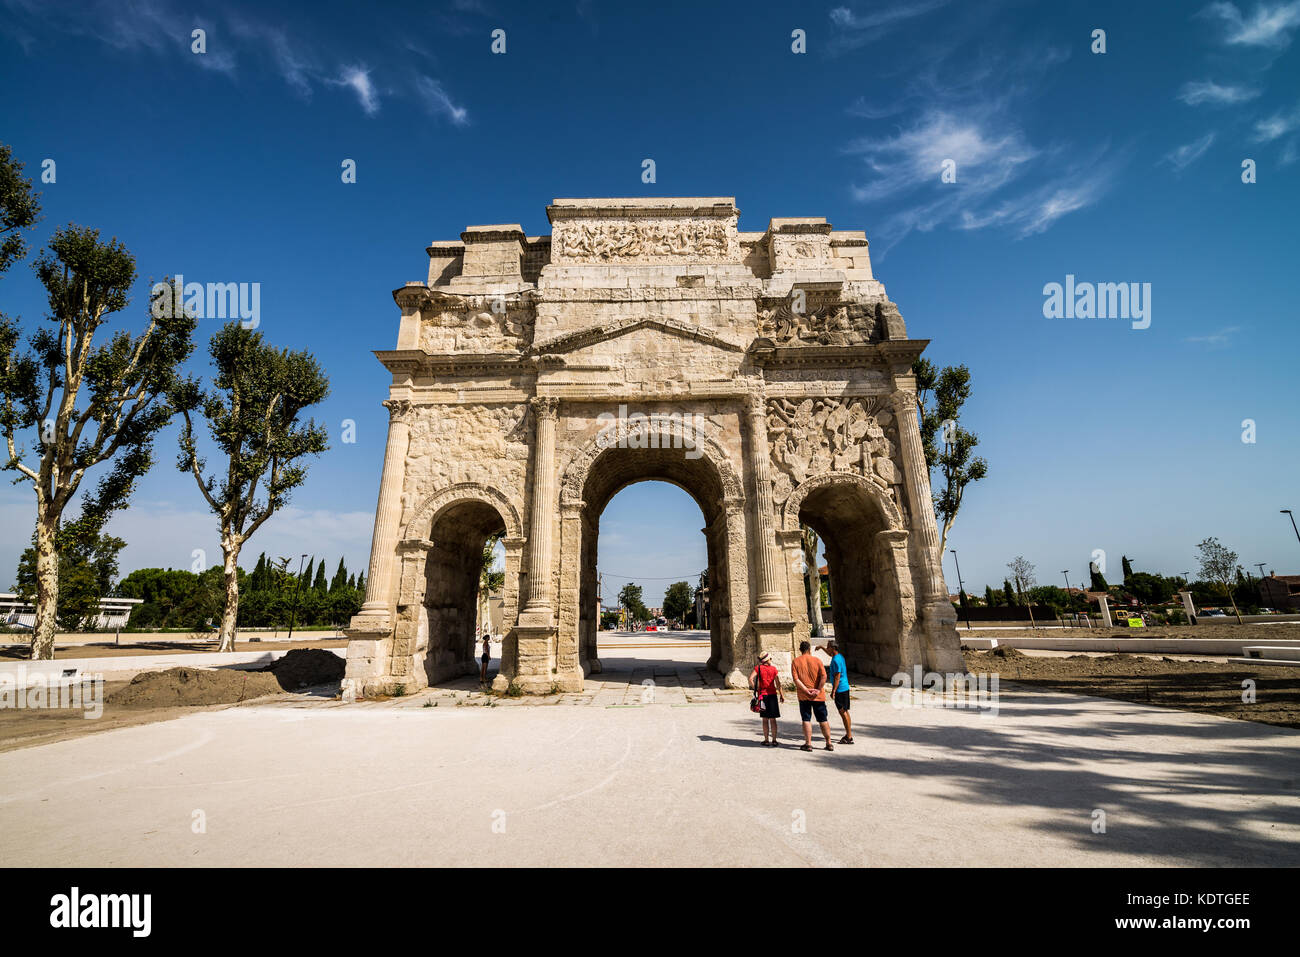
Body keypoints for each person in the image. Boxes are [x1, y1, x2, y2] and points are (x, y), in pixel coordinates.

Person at [791, 640, 833, 752]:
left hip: (804, 696)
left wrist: (805, 690)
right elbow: (824, 676)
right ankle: (829, 743)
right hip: (818, 696)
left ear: (800, 650)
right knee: (823, 719)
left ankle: (808, 743)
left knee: (806, 719)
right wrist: (818, 689)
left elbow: (796, 679)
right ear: (809, 649)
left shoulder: (796, 661)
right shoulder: (817, 660)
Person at [749, 651, 784, 747]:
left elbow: (750, 679)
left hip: (762, 696)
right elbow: (778, 683)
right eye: (770, 658)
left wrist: (757, 689)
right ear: (768, 660)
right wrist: (781, 694)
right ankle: (774, 740)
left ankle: (766, 740)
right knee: (773, 719)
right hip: (772, 695)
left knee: (765, 719)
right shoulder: (774, 669)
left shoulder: (758, 668)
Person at [825, 640, 853, 744]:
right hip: (844, 687)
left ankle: (849, 737)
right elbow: (828, 653)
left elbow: (837, 676)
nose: (827, 649)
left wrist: (833, 691)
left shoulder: (835, 660)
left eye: (828, 647)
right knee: (845, 711)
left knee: (843, 712)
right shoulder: (839, 656)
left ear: (833, 648)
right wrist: (821, 648)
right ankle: (849, 734)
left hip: (840, 689)